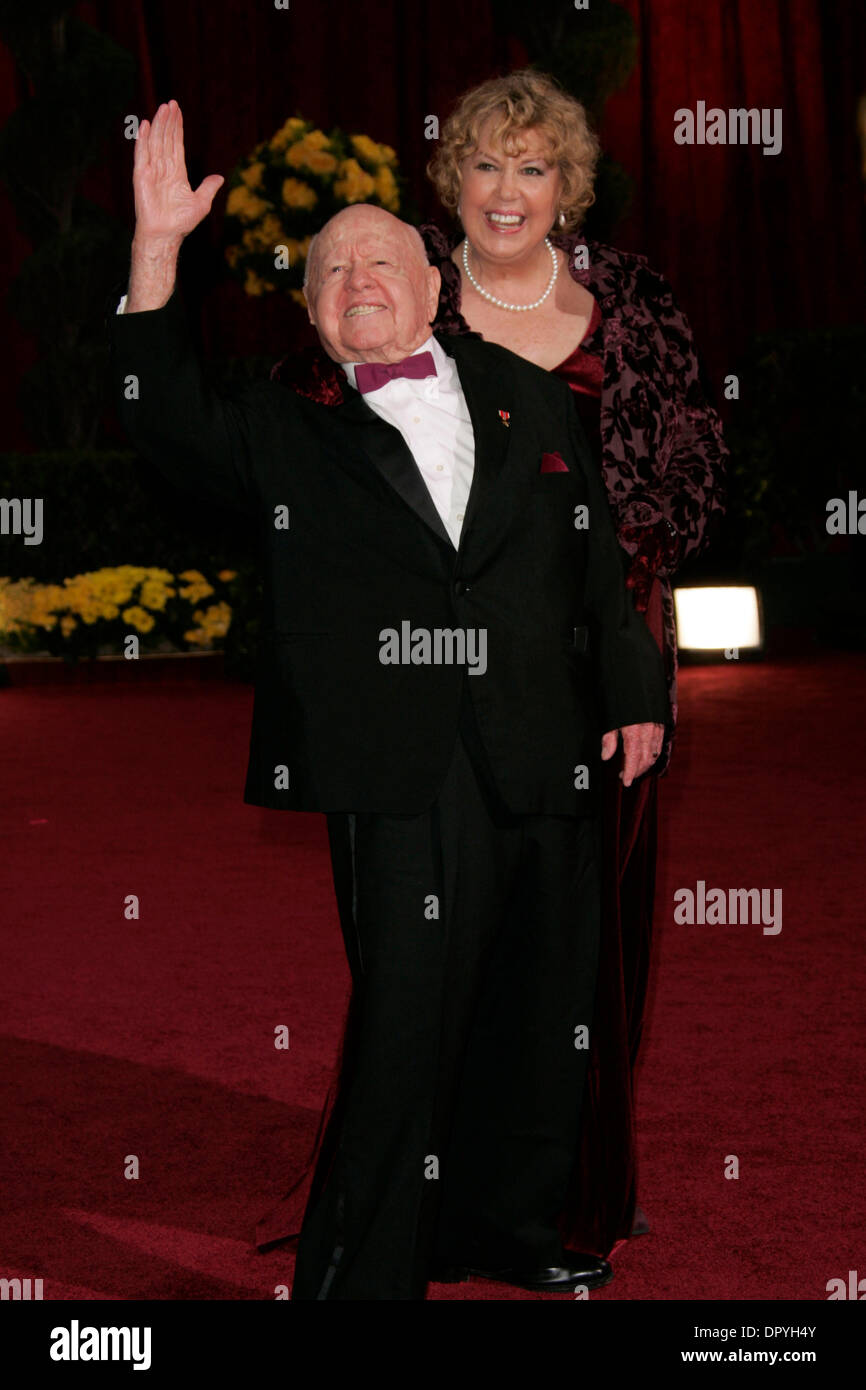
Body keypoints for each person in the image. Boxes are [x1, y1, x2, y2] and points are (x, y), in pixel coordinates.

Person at [112, 100, 669, 1300]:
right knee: (406, 1021)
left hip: (547, 743)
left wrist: (634, 690)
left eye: (380, 257)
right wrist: (156, 250)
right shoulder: (281, 426)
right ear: (313, 313)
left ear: (433, 287)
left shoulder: (534, 400)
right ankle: (362, 1276)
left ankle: (505, 1229)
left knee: (540, 1004)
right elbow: (155, 419)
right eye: (330, 269)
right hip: (396, 766)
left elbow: (596, 565)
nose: (356, 275)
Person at [418, 69, 727, 1255]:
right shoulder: (413, 298)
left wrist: (618, 646)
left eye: (533, 167)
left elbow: (688, 477)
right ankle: (433, 1191)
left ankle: (560, 1189)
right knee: (446, 929)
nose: (508, 192)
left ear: (567, 186)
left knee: (577, 941)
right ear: (455, 180)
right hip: (443, 666)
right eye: (487, 166)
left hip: (595, 668)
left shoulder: (632, 301)